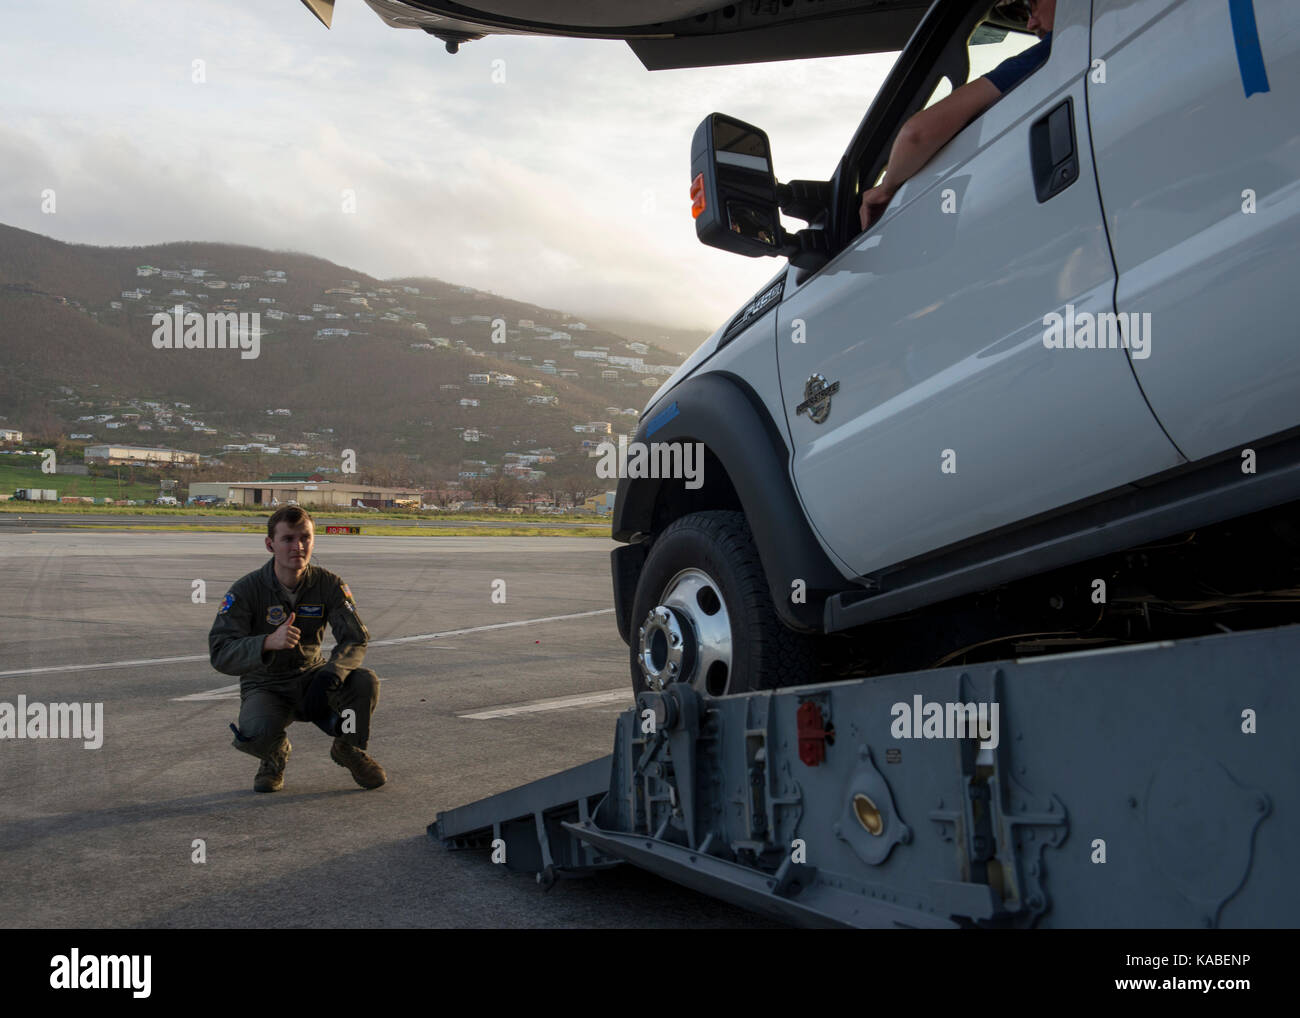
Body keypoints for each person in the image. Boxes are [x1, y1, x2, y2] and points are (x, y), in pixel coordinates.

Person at [209, 505, 387, 792]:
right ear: (270, 544)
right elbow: (220, 652)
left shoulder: (328, 584)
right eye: (288, 539)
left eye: (305, 537)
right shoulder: (246, 591)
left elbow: (355, 638)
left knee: (364, 682)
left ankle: (347, 747)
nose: (298, 546)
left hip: (312, 677)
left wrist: (332, 673)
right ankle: (274, 754)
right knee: (256, 731)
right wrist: (267, 642)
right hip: (266, 684)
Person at [859, 0, 1055, 231]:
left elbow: (917, 135)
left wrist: (885, 190)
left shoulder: (1052, 50)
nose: (1031, 24)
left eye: (1031, 5)